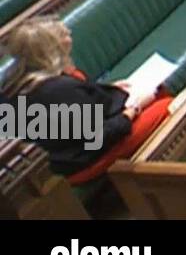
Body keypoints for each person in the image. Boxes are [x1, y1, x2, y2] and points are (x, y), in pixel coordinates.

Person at [0, 16, 173, 185]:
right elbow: (98, 137)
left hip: (71, 151)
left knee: (157, 92)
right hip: (82, 161)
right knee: (166, 105)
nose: (69, 32)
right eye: (62, 35)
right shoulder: (61, 89)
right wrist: (134, 109)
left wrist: (107, 88)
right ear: (51, 49)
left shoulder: (16, 81)